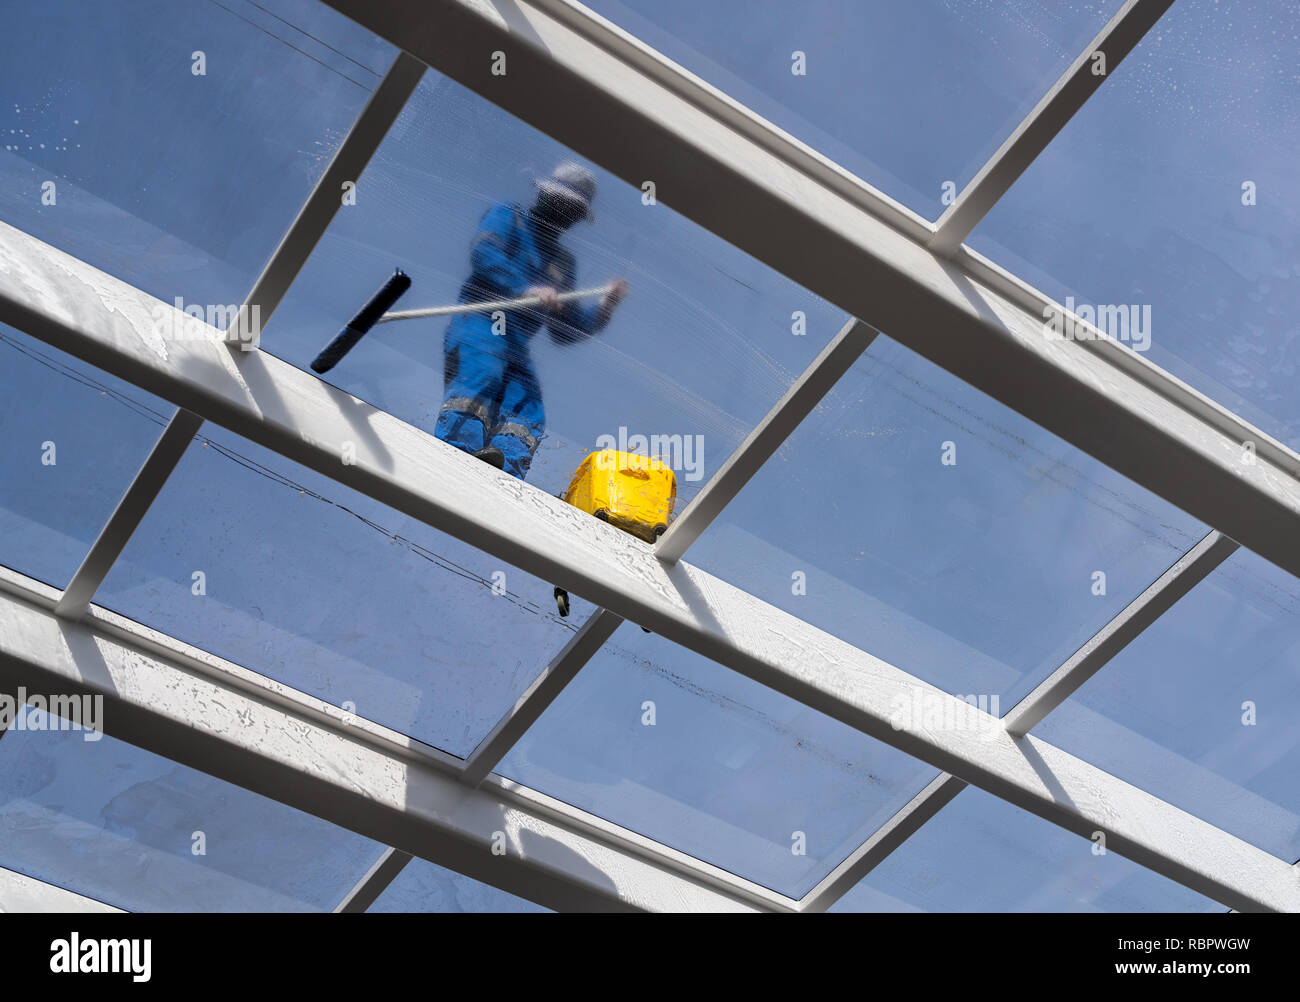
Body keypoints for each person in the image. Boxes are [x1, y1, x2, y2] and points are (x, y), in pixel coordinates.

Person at [434, 162, 628, 480]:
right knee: (480, 380)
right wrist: (525, 288)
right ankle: (458, 458)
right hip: (481, 325)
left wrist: (605, 307)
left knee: (528, 408)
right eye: (564, 206)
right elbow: (484, 253)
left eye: (574, 212)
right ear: (546, 196)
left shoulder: (562, 263)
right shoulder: (509, 217)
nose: (567, 218)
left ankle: (506, 473)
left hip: (517, 347)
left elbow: (565, 329)